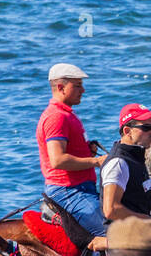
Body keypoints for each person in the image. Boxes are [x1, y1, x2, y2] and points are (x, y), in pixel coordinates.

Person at [36, 63, 109, 243]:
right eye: (77, 85)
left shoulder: (65, 114)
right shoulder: (57, 117)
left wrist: (86, 151)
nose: (82, 90)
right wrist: (97, 161)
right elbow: (58, 160)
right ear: (60, 87)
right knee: (114, 234)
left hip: (80, 188)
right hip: (69, 191)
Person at [101, 103, 151, 222]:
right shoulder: (118, 163)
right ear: (127, 131)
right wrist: (148, 220)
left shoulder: (136, 156)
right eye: (146, 128)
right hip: (125, 236)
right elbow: (111, 210)